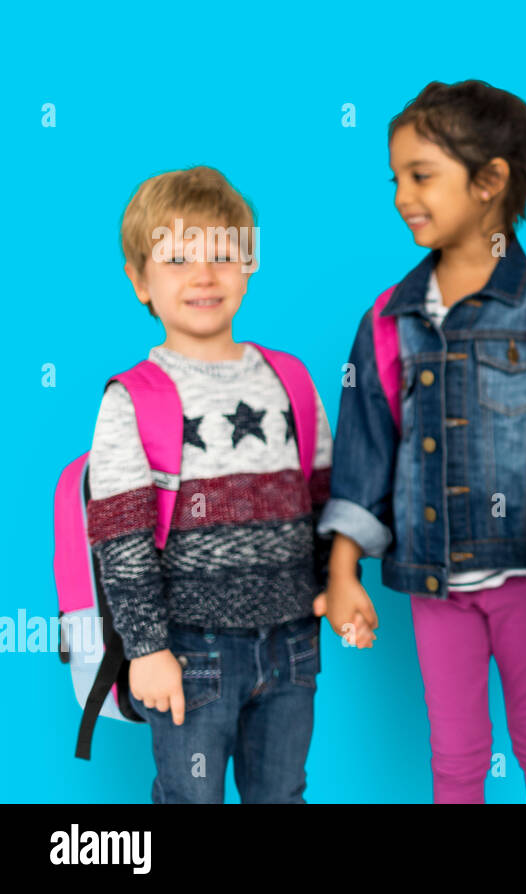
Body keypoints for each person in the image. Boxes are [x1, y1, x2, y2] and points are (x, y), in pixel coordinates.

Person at [319, 80, 526, 804]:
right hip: (433, 576)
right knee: (455, 755)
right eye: (396, 179)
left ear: (490, 181)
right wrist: (341, 572)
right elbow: (364, 453)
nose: (403, 196)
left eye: (421, 175)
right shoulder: (386, 320)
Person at [87, 166, 333, 803]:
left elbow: (319, 501)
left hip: (292, 646)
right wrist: (146, 649)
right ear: (140, 280)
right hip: (190, 654)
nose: (203, 274)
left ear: (248, 266)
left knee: (283, 795)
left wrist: (337, 583)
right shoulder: (132, 400)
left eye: (223, 254)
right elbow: (122, 542)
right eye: (177, 259)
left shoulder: (290, 381)